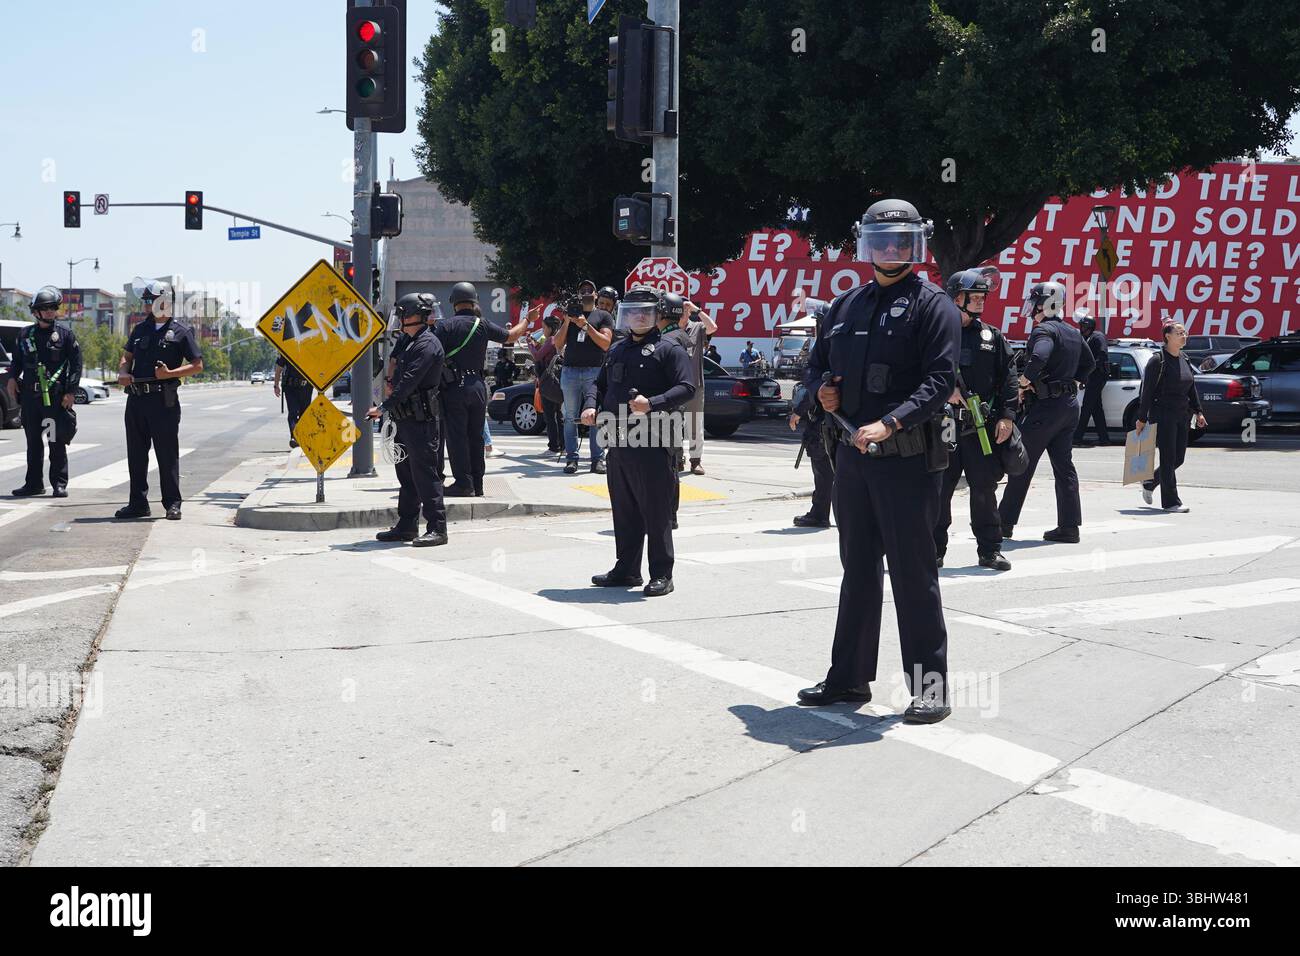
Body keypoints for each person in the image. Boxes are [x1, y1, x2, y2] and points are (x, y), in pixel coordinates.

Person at [796, 199, 960, 724]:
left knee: (914, 575)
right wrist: (820, 391)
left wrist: (891, 422)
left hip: (906, 460)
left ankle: (929, 688)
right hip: (851, 458)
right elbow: (816, 366)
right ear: (866, 244)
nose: (891, 250)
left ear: (916, 244)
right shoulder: (845, 306)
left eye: (901, 241)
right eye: (881, 241)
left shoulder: (932, 305)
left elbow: (940, 382)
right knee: (858, 572)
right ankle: (847, 678)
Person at [581, 289, 695, 597]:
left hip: (654, 440)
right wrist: (591, 404)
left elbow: (687, 387)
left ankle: (661, 573)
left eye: (644, 312)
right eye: (632, 312)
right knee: (625, 507)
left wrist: (653, 402)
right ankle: (626, 569)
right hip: (618, 439)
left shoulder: (669, 349)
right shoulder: (617, 349)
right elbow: (598, 383)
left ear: (657, 314)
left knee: (656, 510)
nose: (638, 317)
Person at [997, 281, 1095, 543]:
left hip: (1046, 409)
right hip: (1069, 407)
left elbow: (1040, 357)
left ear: (1044, 303)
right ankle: (1069, 527)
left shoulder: (1043, 331)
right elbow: (1090, 362)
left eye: (1035, 301)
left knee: (1022, 464)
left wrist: (1024, 382)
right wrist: (1076, 381)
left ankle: (1003, 523)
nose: (1032, 307)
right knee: (1065, 468)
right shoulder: (1073, 332)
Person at [934, 270, 1018, 571]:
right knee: (940, 488)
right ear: (957, 297)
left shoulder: (992, 336)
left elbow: (1009, 377)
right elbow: (918, 374)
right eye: (975, 297)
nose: (981, 302)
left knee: (984, 488)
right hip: (943, 425)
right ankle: (933, 550)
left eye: (984, 297)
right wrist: (946, 391)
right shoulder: (936, 334)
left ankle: (990, 550)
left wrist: (1007, 416)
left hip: (980, 426)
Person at [115, 281, 203, 520]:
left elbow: (197, 365)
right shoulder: (140, 329)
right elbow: (127, 357)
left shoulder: (181, 331)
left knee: (166, 454)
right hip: (136, 400)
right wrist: (123, 373)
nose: (145, 305)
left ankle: (173, 504)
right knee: (136, 454)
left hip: (163, 401)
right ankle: (138, 503)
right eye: (144, 301)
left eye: (148, 300)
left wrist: (170, 374)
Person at [433, 282, 527, 497]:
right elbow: (511, 336)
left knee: (457, 437)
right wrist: (527, 320)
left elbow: (432, 355)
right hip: (477, 387)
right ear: (474, 300)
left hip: (453, 388)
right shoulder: (482, 324)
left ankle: (463, 484)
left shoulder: (445, 327)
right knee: (476, 437)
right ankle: (478, 484)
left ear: (453, 303)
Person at [368, 293, 447, 546]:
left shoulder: (427, 344)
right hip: (405, 419)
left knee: (425, 474)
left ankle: (438, 528)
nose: (400, 318)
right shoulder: (408, 341)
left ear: (415, 315)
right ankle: (407, 525)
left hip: (421, 420)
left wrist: (383, 407)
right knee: (406, 474)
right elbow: (393, 370)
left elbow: (409, 382)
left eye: (403, 313)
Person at [6, 286, 82, 498]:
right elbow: (17, 362)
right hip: (30, 398)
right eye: (45, 308)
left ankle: (59, 484)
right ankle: (33, 484)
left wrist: (70, 392)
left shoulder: (65, 335)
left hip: (55, 399)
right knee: (33, 443)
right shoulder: (25, 335)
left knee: (56, 441)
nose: (50, 312)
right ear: (36, 311)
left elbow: (76, 365)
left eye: (53, 308)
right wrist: (12, 378)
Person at [1136, 322, 1206, 513]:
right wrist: (1142, 418)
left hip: (1182, 414)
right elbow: (1147, 392)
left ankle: (1150, 482)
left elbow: (1191, 387)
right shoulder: (1157, 360)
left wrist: (1198, 411)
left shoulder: (1184, 358)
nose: (1184, 335)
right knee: (1168, 458)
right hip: (1163, 414)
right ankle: (1171, 502)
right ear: (1168, 336)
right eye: (1179, 333)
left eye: (1185, 332)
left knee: (1178, 459)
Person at [555, 281, 614, 474]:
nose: (587, 294)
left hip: (594, 371)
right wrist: (567, 321)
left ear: (596, 295)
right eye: (583, 291)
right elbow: (557, 344)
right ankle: (571, 459)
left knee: (594, 415)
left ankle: (598, 459)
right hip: (570, 370)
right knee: (570, 416)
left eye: (590, 291)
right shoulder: (571, 314)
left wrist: (586, 325)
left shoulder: (603, 315)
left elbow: (606, 343)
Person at [661, 295, 716, 475]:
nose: (684, 311)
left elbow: (713, 327)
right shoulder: (668, 330)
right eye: (681, 308)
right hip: (673, 384)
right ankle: (677, 458)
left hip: (694, 384)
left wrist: (697, 310)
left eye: (687, 308)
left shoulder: (697, 328)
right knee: (674, 423)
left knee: (695, 423)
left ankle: (696, 460)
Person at [527, 307, 565, 454]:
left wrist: (530, 344)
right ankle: (563, 445)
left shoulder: (551, 339)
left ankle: (553, 446)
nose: (542, 330)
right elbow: (543, 353)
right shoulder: (559, 339)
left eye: (543, 327)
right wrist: (536, 345)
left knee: (550, 415)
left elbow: (537, 356)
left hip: (548, 382)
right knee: (559, 415)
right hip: (559, 381)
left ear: (550, 328)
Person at [1073, 311, 1111, 446]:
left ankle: (1076, 437)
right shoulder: (1089, 338)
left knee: (1087, 407)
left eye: (1083, 326)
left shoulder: (1098, 337)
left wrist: (1087, 373)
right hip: (1092, 377)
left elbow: (1101, 356)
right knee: (1096, 408)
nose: (1081, 329)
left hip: (1097, 376)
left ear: (1090, 326)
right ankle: (1104, 438)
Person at [273, 355, 313, 449]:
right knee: (293, 412)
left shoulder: (310, 348)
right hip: (290, 387)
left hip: (306, 388)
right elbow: (278, 369)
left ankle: (302, 438)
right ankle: (295, 438)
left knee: (305, 414)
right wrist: (276, 385)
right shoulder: (287, 349)